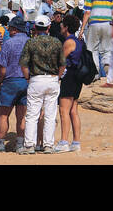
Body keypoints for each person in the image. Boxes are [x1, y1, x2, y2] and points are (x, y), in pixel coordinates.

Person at [17, 15, 65, 153]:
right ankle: (48, 145)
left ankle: (29, 145)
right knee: (50, 115)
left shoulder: (31, 43)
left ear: (35, 28)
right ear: (48, 27)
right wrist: (58, 77)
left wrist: (27, 78)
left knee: (32, 114)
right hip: (52, 79)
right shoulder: (56, 42)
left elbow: (24, 64)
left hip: (36, 79)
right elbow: (62, 63)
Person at [0, 15, 28, 153]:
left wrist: (1, 80)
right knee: (21, 115)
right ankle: (20, 144)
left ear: (15, 29)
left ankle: (0, 143)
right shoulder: (30, 42)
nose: (8, 30)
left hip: (10, 80)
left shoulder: (8, 43)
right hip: (25, 81)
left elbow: (2, 66)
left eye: (10, 28)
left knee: (4, 115)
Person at [55, 13, 85, 152]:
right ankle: (76, 142)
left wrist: (57, 77)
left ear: (66, 27)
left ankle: (64, 141)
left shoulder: (69, 42)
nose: (61, 27)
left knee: (64, 110)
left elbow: (61, 62)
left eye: (62, 25)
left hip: (70, 77)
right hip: (77, 77)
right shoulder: (78, 41)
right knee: (73, 111)